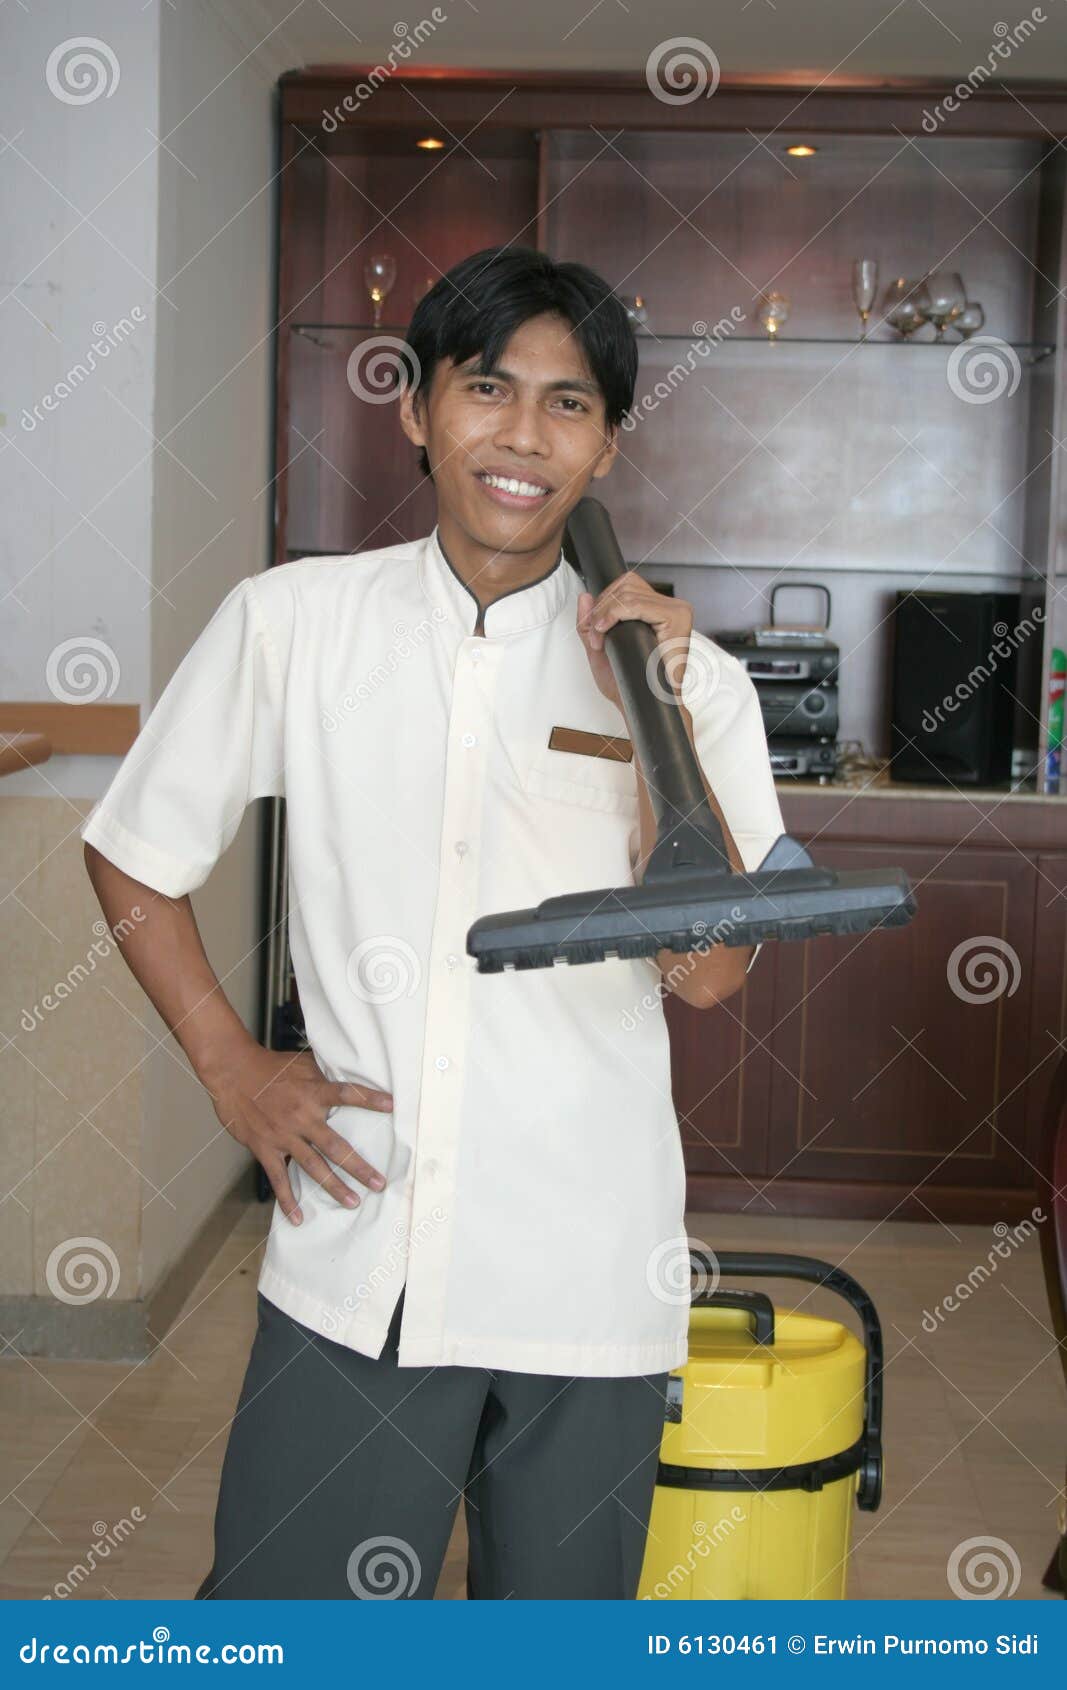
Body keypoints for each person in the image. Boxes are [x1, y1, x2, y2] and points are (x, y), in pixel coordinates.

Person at [82, 244, 786, 1600]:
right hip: (363, 1250)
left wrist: (655, 728)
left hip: (587, 1267)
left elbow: (711, 974)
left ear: (608, 447)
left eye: (569, 404)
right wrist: (230, 1064)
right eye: (488, 388)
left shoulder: (691, 686)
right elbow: (131, 850)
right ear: (417, 411)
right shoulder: (295, 625)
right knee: (290, 1637)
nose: (523, 437)